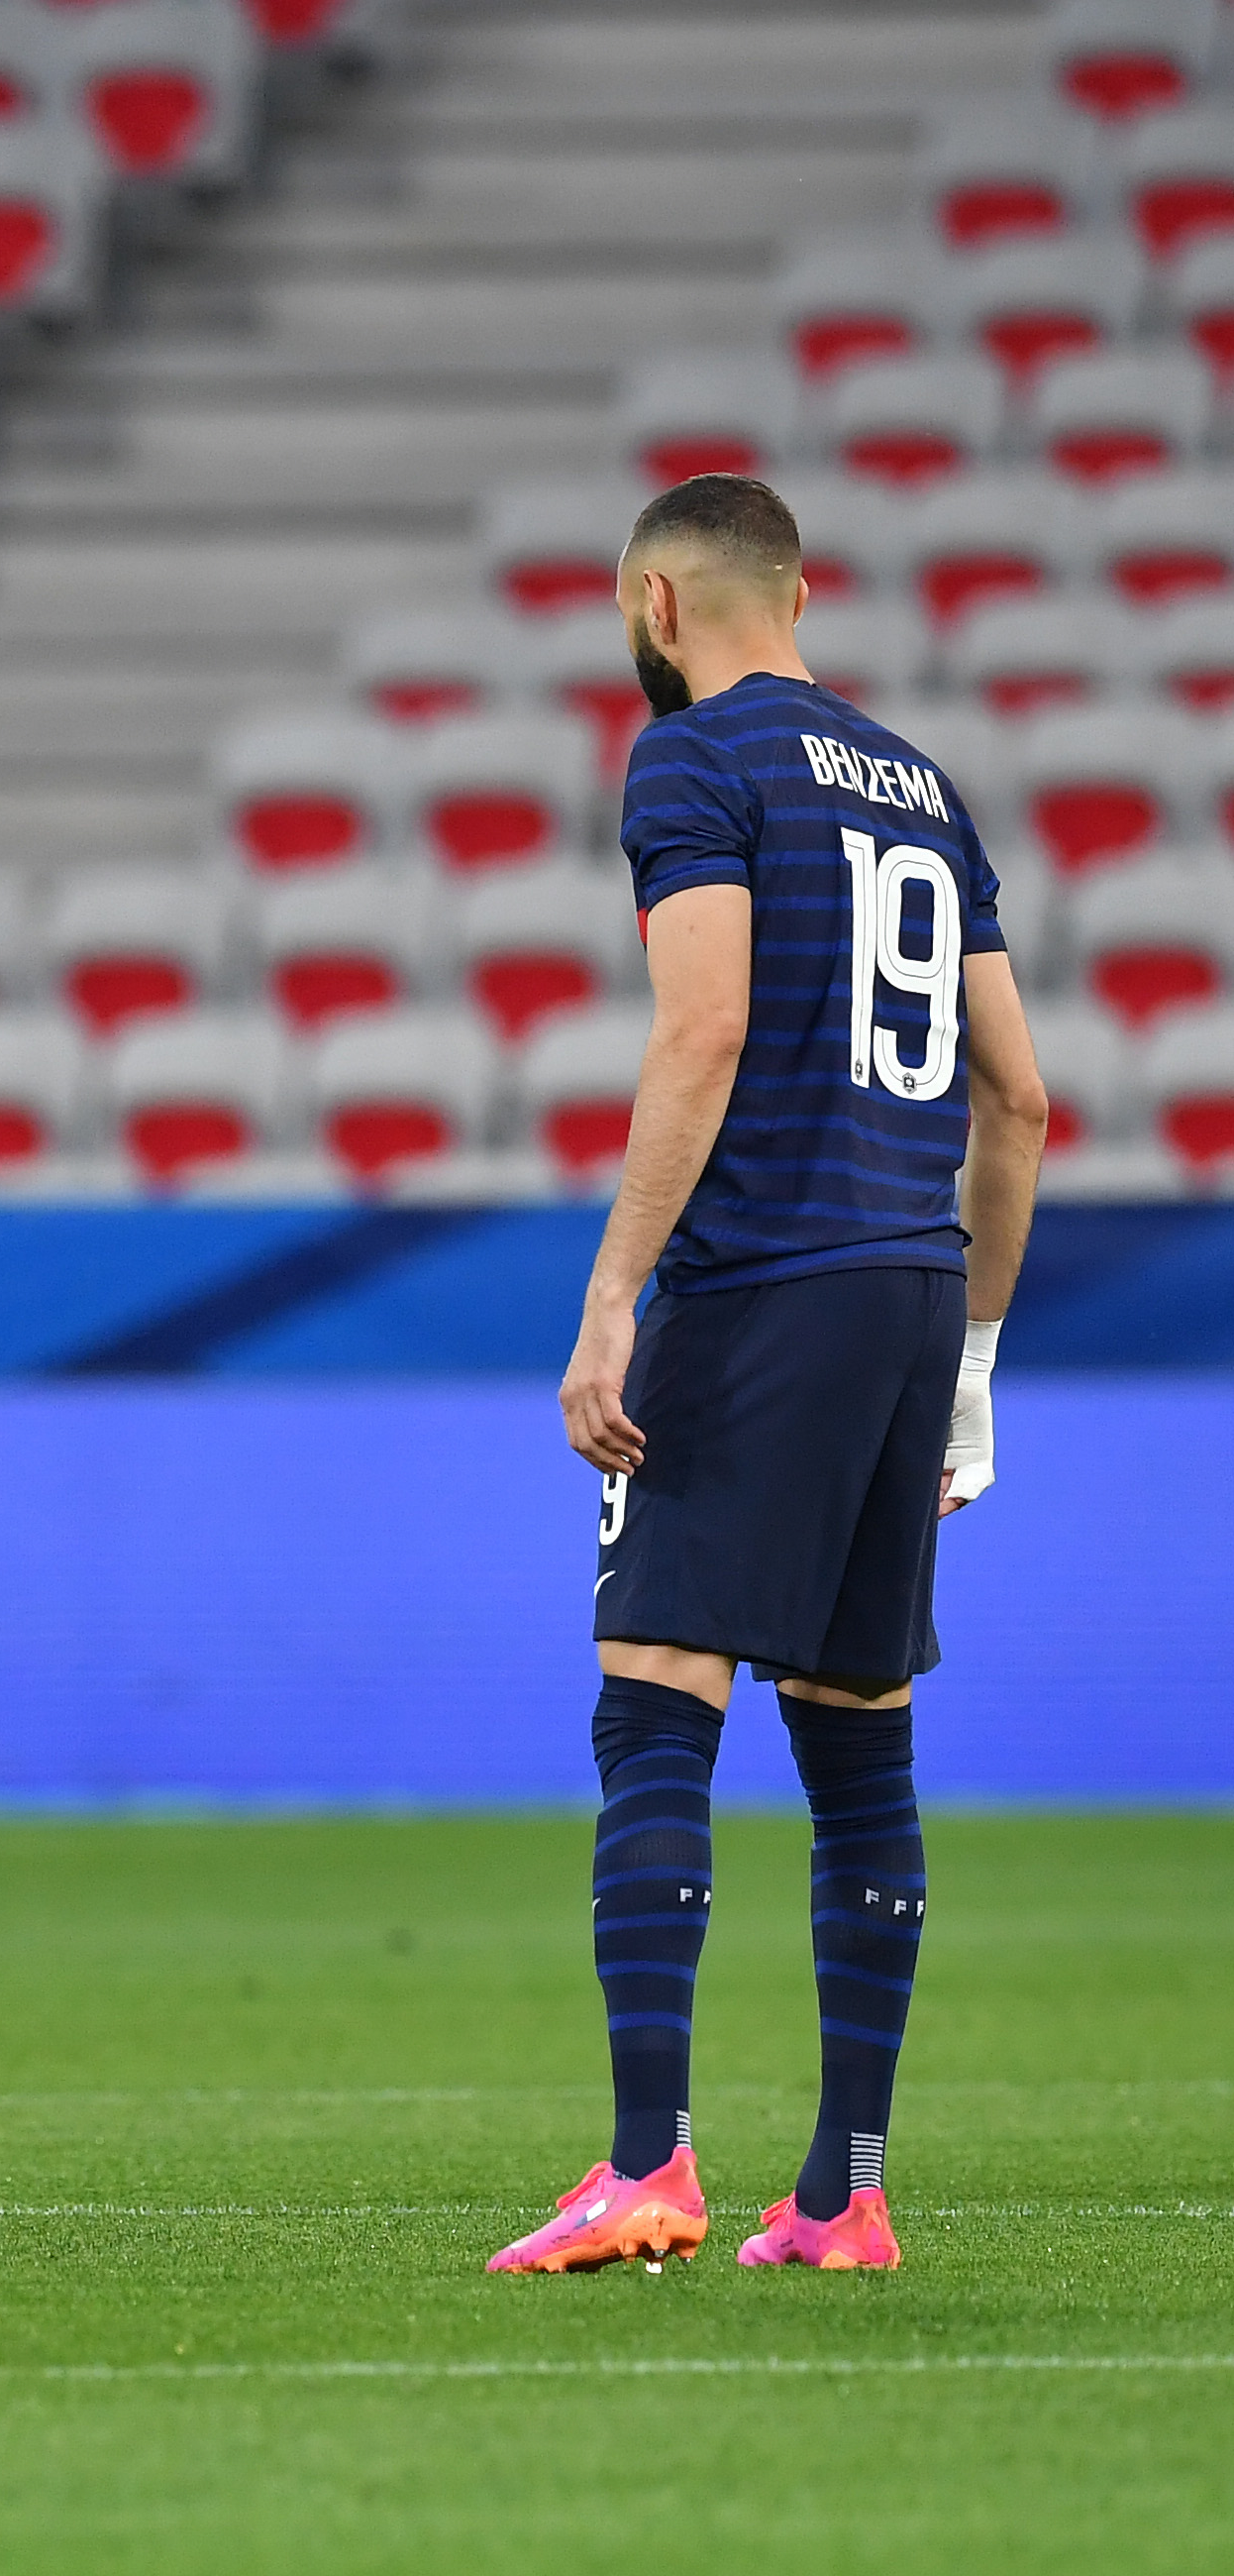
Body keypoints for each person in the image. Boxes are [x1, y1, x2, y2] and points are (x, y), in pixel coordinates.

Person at [490, 477, 1045, 2278]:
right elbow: (1018, 1096)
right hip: (908, 1295)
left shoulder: (693, 764)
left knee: (656, 1684)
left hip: (764, 1283)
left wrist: (611, 1295)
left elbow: (705, 1022)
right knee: (860, 1735)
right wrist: (969, 1355)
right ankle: (845, 2194)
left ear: (659, 600)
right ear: (797, 593)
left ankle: (649, 2163)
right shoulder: (927, 789)